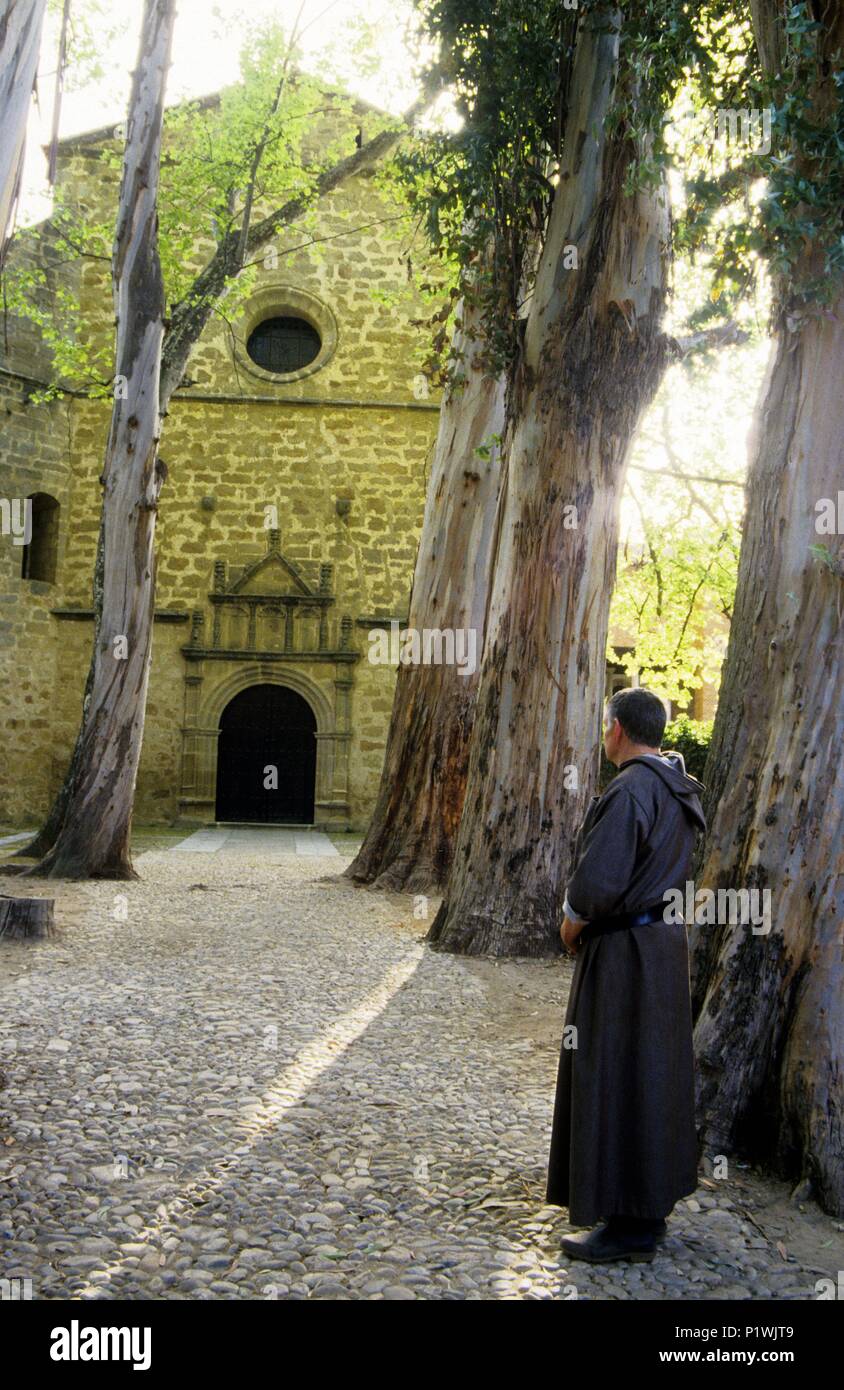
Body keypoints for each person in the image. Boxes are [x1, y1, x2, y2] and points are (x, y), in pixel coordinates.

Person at [545, 686, 706, 1262]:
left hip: (622, 956)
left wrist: (571, 922)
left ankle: (626, 1223)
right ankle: (644, 1210)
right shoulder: (676, 788)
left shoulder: (632, 789)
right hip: (660, 950)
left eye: (604, 726)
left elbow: (596, 886)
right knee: (650, 1074)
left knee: (613, 1071)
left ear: (616, 729)